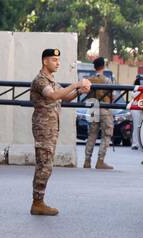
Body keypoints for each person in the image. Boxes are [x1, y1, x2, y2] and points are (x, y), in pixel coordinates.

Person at [29, 48, 90, 215]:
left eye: (58, 60)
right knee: (44, 164)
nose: (58, 63)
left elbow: (66, 97)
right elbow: (54, 96)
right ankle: (37, 202)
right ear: (45, 61)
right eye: (54, 60)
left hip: (51, 127)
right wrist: (76, 83)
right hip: (43, 128)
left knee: (46, 164)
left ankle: (39, 201)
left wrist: (79, 91)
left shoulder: (51, 80)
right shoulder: (40, 80)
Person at [82, 56, 114, 170]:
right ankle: (100, 161)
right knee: (106, 134)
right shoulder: (107, 80)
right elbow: (112, 96)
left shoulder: (89, 80)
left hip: (93, 108)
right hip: (104, 108)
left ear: (94, 67)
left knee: (92, 135)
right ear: (103, 66)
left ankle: (87, 161)